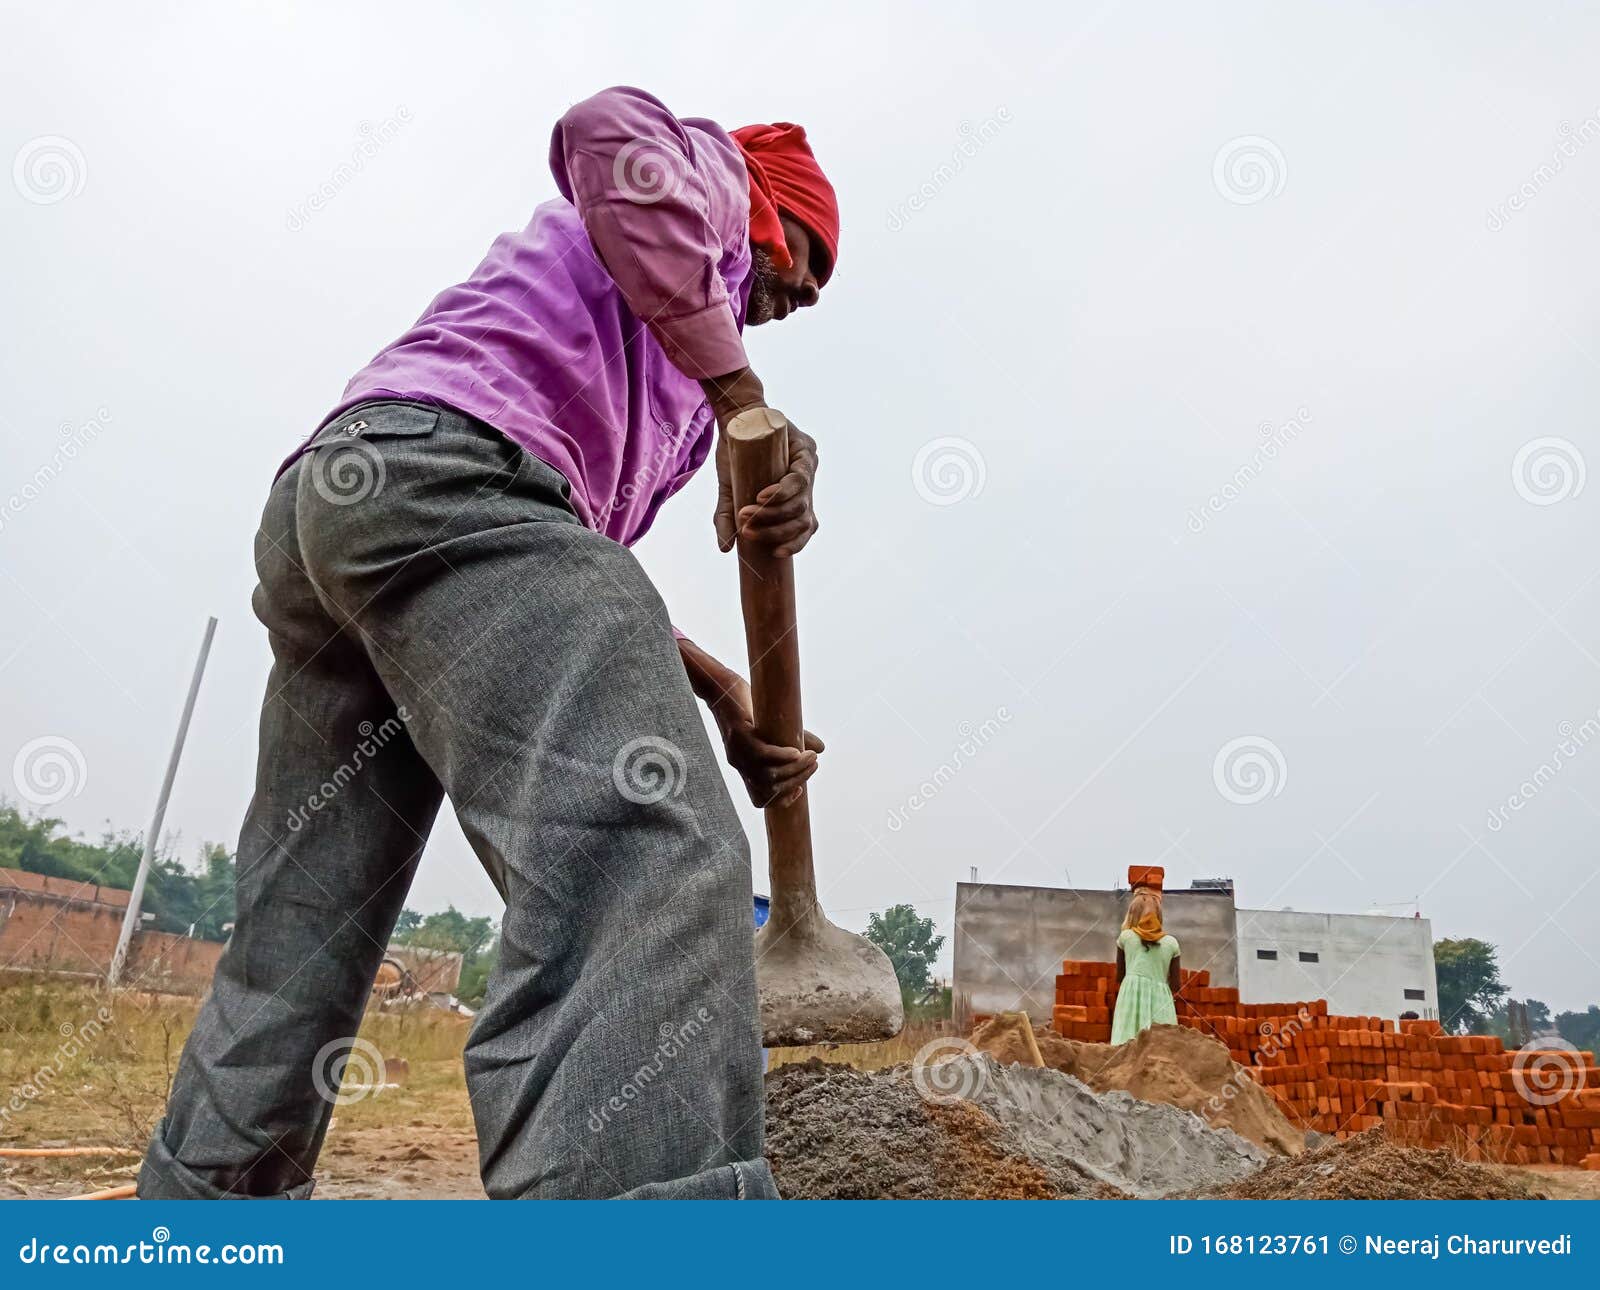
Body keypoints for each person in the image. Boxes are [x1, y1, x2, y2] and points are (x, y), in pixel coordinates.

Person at [137, 86, 840, 1201]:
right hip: (445, 471)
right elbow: (604, 130)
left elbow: (543, 563)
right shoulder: (707, 181)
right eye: (806, 255)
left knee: (306, 918)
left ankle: (203, 1228)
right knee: (643, 850)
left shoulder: (674, 384)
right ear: (767, 207)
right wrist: (742, 389)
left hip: (356, 506)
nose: (803, 292)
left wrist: (717, 695)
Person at [1110, 888, 1180, 1044]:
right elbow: (1176, 985)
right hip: (1161, 1000)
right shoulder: (1172, 944)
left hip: (1131, 997)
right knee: (1161, 1047)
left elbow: (1119, 976)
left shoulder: (1126, 937)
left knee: (1125, 1044)